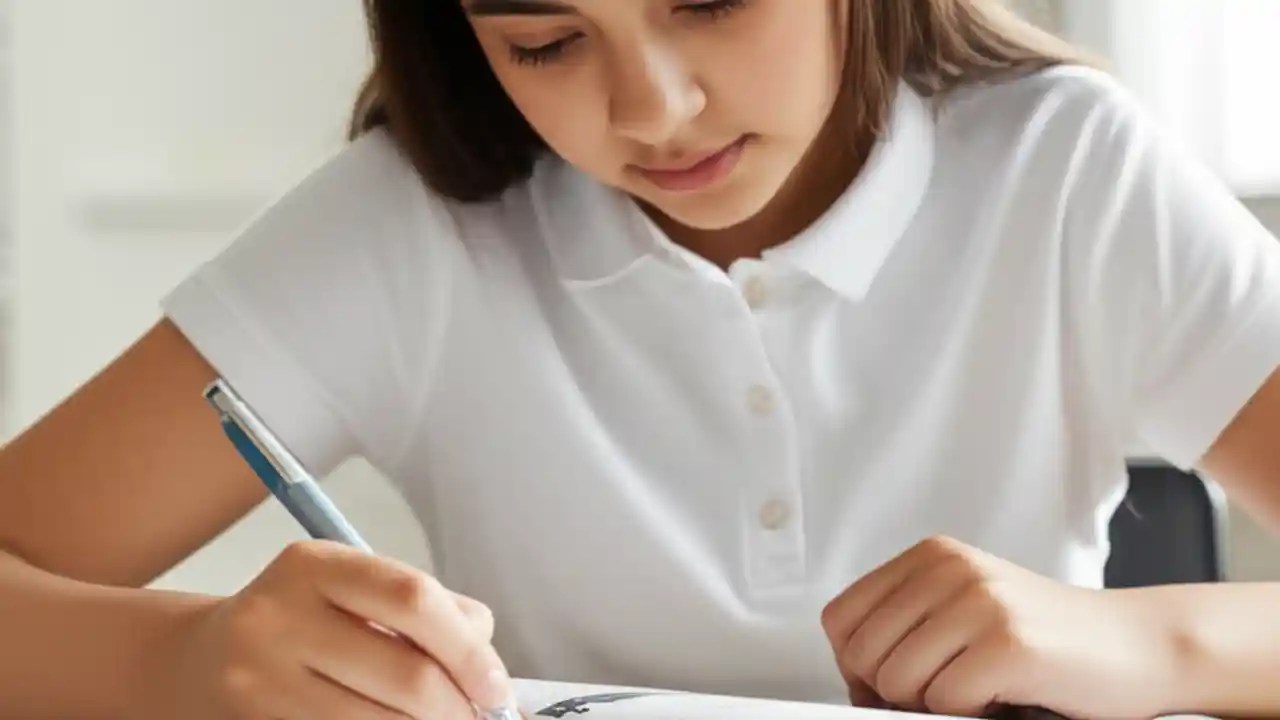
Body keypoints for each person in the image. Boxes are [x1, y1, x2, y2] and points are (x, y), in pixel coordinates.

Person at [2, 0, 1280, 717]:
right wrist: (176, 660)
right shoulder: (412, 227)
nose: (652, 108)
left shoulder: (1065, 173)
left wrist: (1144, 646)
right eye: (544, 43)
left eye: (709, 0)